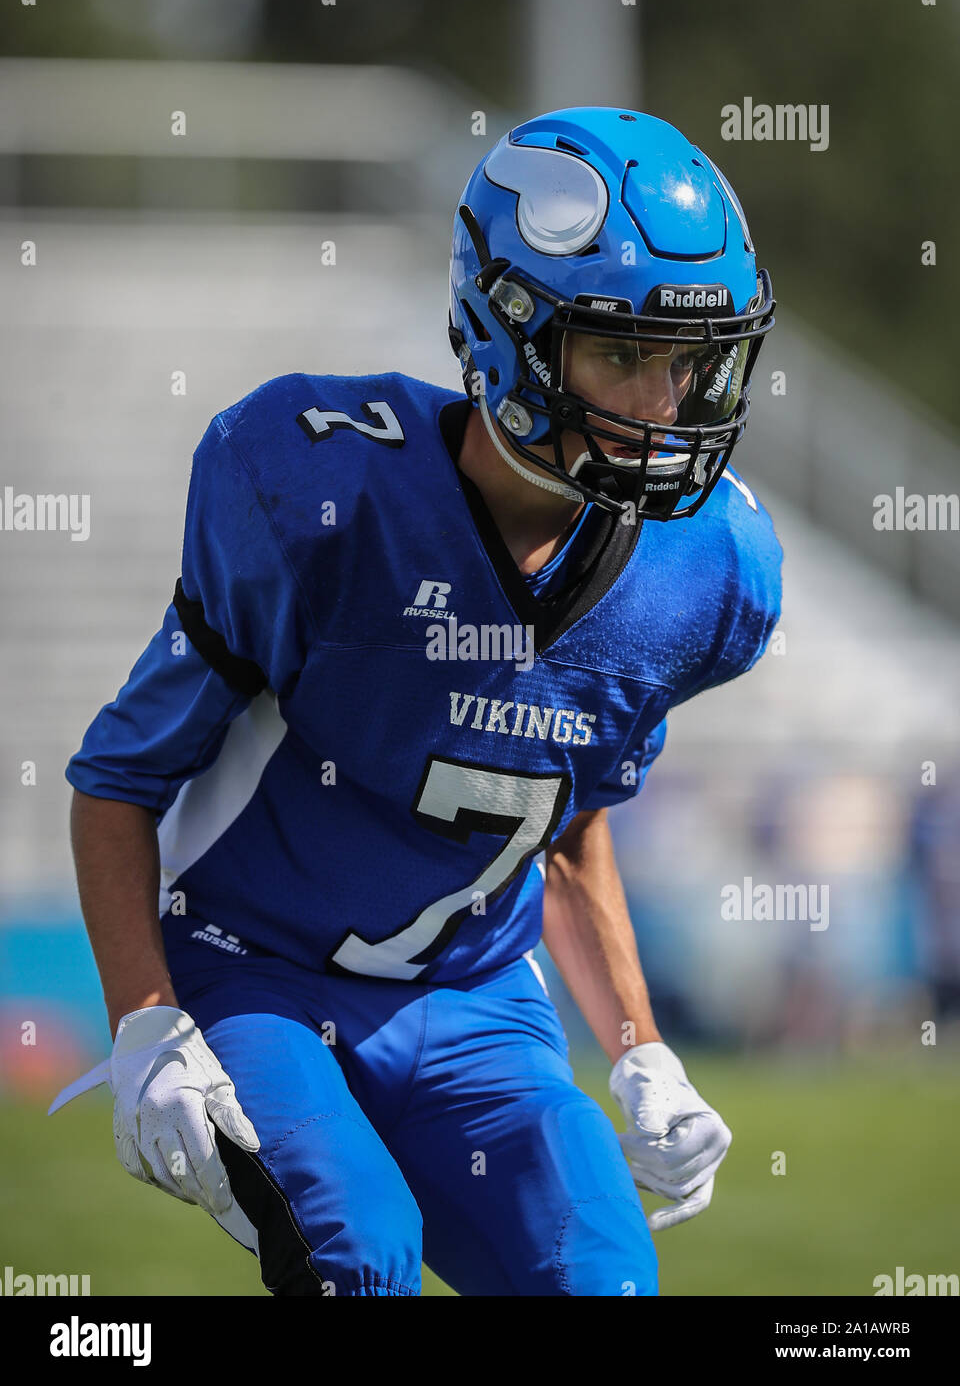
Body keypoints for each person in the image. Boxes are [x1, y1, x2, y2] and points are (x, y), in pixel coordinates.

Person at [52, 106, 781, 1297]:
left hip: (478, 999)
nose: (664, 404)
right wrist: (143, 1018)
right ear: (513, 336)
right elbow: (115, 781)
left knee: (599, 1273)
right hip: (261, 976)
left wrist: (641, 1048)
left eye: (687, 360)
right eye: (621, 353)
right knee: (362, 1257)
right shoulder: (324, 494)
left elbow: (565, 816)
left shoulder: (704, 570)